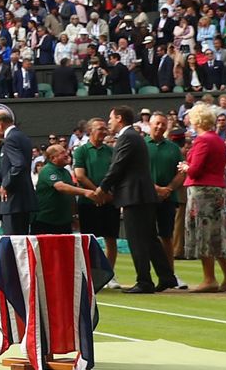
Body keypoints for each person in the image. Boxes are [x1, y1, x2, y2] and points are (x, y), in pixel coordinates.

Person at [95, 106, 179, 294]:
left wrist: (103, 187)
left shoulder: (127, 137)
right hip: (141, 194)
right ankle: (166, 276)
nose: (109, 122)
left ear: (119, 118)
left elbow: (118, 166)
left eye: (111, 118)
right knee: (149, 237)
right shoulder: (134, 137)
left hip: (134, 196)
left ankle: (144, 281)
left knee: (137, 240)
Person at [177, 103, 226, 292]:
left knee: (205, 233)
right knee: (217, 233)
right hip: (216, 189)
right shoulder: (218, 140)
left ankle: (209, 278)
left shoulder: (203, 140)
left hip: (202, 191)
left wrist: (185, 167)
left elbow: (195, 170)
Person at [71, 117, 120, 285]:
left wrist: (105, 193)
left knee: (111, 238)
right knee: (88, 240)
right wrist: (97, 193)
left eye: (105, 128)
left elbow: (115, 173)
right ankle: (90, 273)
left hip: (109, 199)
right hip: (88, 202)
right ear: (90, 131)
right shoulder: (81, 151)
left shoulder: (111, 151)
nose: (104, 132)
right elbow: (80, 175)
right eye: (100, 128)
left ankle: (109, 274)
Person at [145, 112, 184, 261]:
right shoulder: (141, 145)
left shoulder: (173, 148)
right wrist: (156, 189)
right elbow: (137, 173)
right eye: (157, 123)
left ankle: (170, 273)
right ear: (150, 124)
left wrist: (168, 189)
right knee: (147, 236)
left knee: (167, 236)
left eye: (163, 124)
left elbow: (181, 172)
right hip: (146, 197)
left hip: (168, 198)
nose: (160, 127)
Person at [34, 143, 96, 232]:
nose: (67, 154)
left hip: (64, 221)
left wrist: (74, 216)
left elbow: (71, 195)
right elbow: (60, 187)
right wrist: (86, 192)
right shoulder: (47, 170)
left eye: (66, 151)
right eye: (62, 153)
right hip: (47, 221)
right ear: (53, 158)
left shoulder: (66, 172)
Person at [0, 110, 36, 235]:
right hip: (23, 200)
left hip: (13, 200)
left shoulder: (10, 139)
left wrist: (5, 185)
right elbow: (9, 169)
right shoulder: (23, 137)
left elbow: (19, 165)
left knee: (13, 244)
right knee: (21, 244)